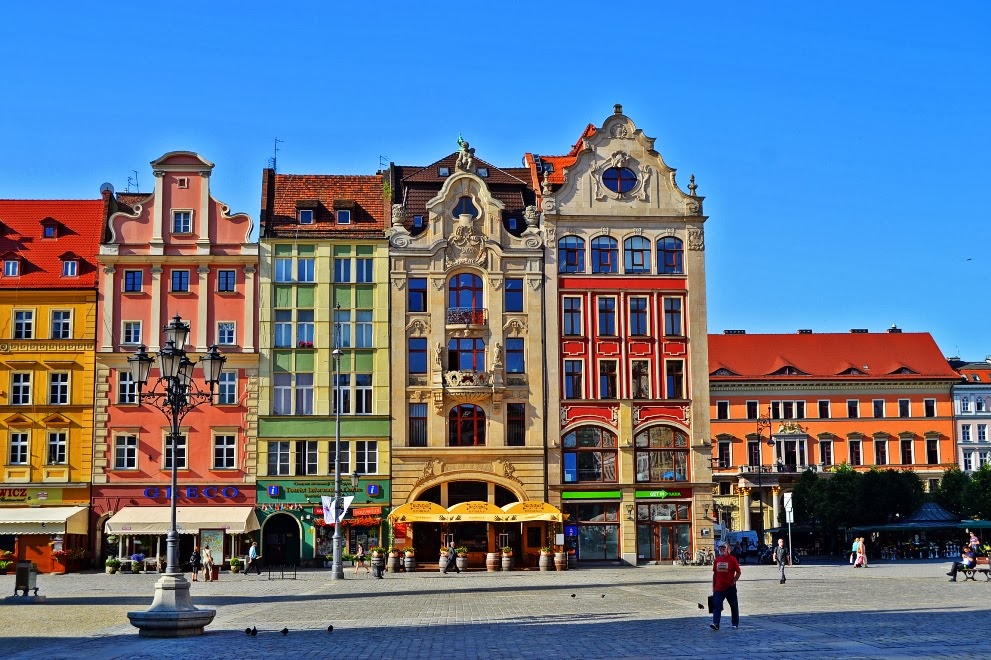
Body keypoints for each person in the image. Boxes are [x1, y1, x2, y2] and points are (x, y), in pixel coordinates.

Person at [710, 541, 741, 631]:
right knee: (716, 605)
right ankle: (716, 623)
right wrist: (713, 586)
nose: (722, 549)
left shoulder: (732, 559)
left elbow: (738, 572)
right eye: (720, 548)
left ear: (727, 549)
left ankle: (735, 623)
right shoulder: (717, 560)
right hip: (719, 588)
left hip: (730, 587)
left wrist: (734, 581)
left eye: (723, 548)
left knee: (734, 605)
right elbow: (715, 574)